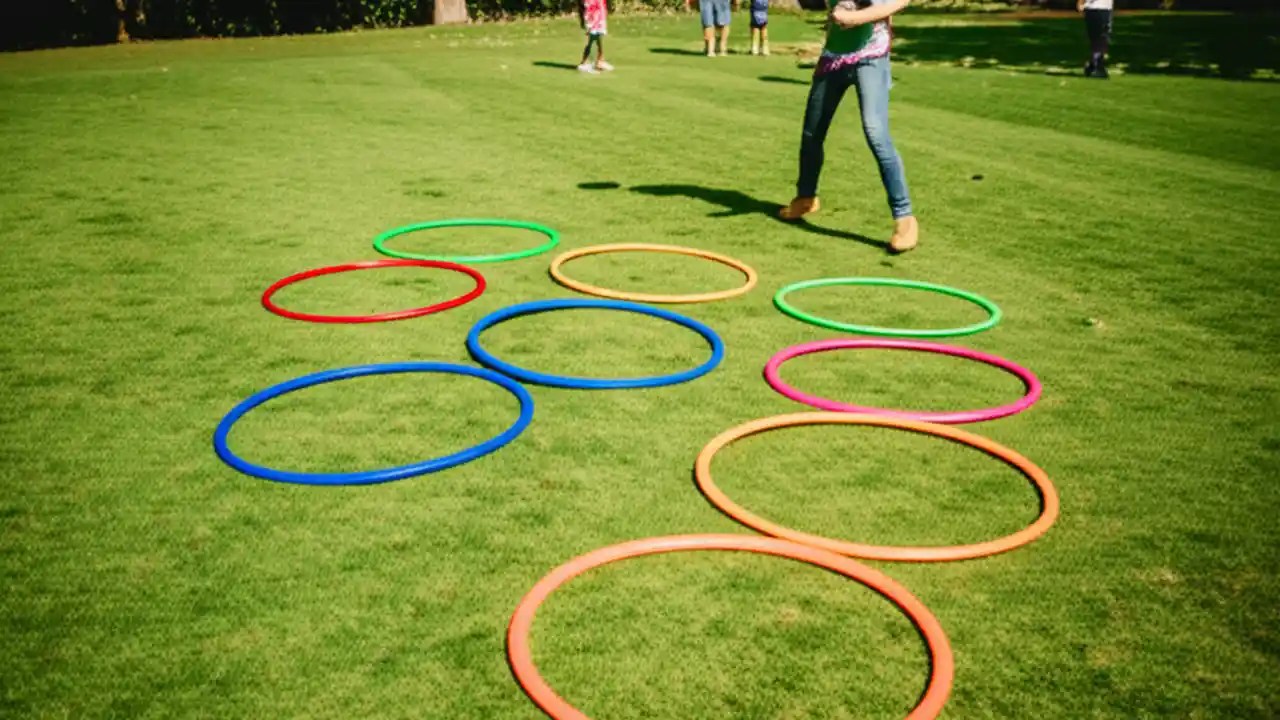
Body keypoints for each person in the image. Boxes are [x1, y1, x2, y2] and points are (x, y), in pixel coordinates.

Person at [778, 0, 918, 253]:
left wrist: (857, 17)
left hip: (871, 56)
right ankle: (806, 197)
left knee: (875, 132)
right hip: (834, 56)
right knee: (812, 133)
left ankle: (905, 218)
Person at [1078, 0, 1113, 79]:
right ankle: (1096, 65)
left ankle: (1096, 65)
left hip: (1095, 8)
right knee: (1099, 37)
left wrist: (1081, 2)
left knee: (1096, 37)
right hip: (1102, 8)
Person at [578, 0, 614, 73]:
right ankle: (584, 63)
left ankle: (600, 61)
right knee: (592, 36)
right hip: (591, 7)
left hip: (599, 6)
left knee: (599, 34)